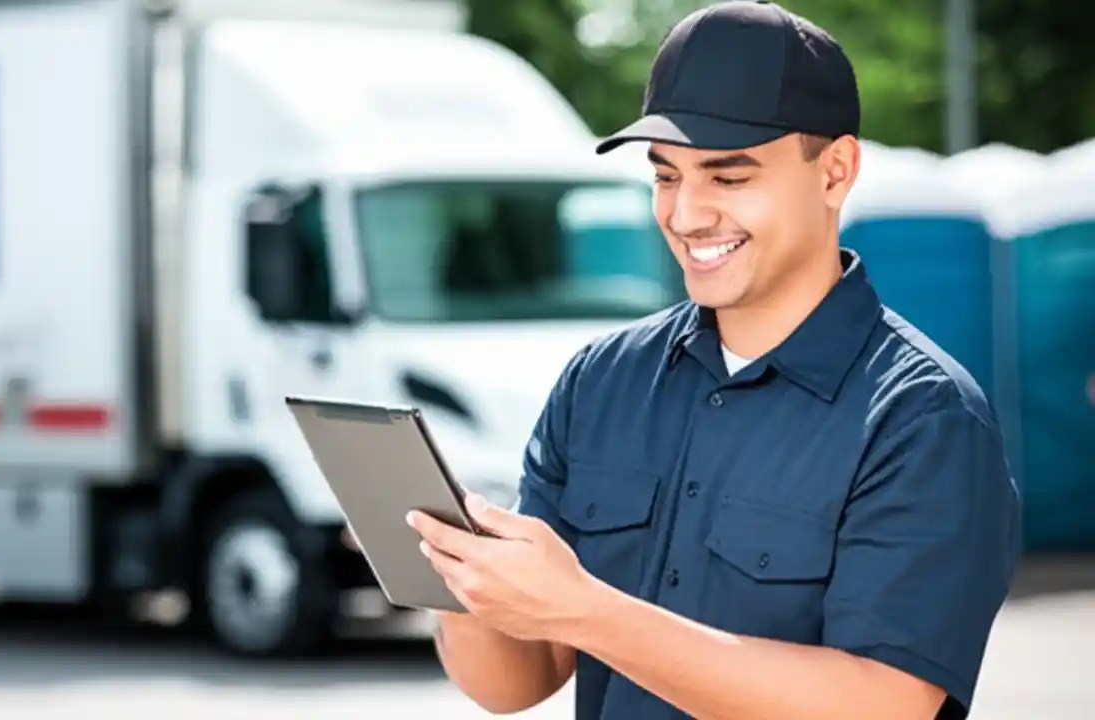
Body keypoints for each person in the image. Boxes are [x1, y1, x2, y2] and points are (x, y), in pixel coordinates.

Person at [404, 2, 1023, 718]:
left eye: (729, 178)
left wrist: (587, 610)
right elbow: (519, 681)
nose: (686, 214)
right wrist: (451, 579)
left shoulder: (922, 417)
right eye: (667, 176)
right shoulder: (600, 383)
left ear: (835, 172)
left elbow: (882, 704)